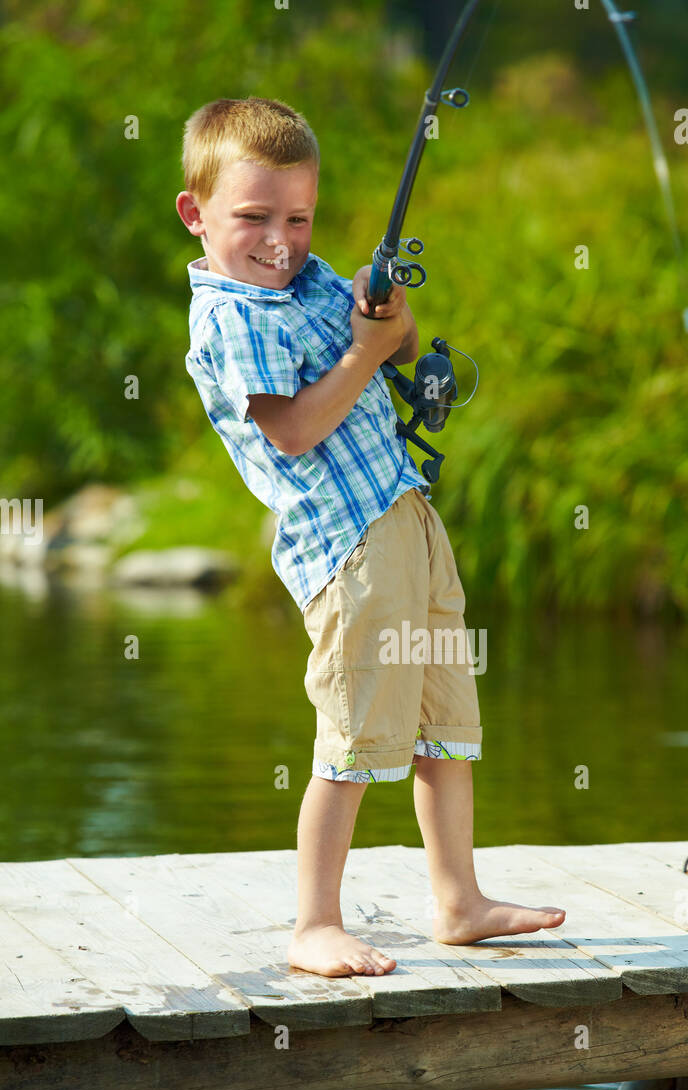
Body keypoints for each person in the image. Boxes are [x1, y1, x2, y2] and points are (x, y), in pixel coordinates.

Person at [176, 97, 565, 978]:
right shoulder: (230, 319)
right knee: (350, 741)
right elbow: (294, 430)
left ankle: (458, 901)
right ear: (196, 214)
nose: (281, 240)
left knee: (444, 727)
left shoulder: (310, 279)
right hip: (347, 552)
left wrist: (384, 321)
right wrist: (360, 355)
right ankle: (315, 923)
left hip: (408, 518)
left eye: (299, 217)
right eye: (253, 219)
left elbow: (395, 350)